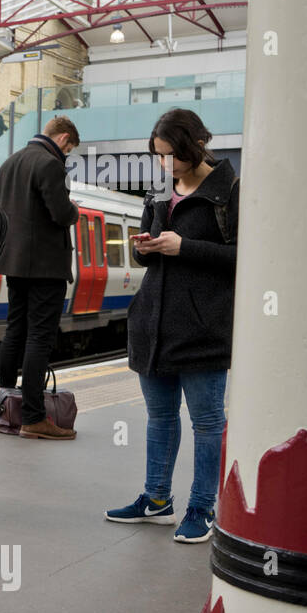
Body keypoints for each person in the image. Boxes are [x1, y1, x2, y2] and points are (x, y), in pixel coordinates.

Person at [105, 108, 237, 543]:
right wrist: (145, 247)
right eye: (159, 157)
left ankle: (203, 507)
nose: (165, 166)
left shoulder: (230, 190)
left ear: (194, 147)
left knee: (207, 421)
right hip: (153, 324)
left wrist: (186, 247)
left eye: (171, 157)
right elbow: (149, 252)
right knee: (159, 417)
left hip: (203, 326)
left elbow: (242, 258)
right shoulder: (161, 187)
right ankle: (156, 498)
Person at [0, 115, 81, 440]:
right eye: (69, 148)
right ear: (63, 139)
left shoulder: (9, 164)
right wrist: (74, 209)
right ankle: (32, 417)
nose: (67, 154)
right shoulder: (50, 164)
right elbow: (60, 213)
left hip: (13, 262)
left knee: (15, 328)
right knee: (39, 336)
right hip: (45, 265)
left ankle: (3, 403)